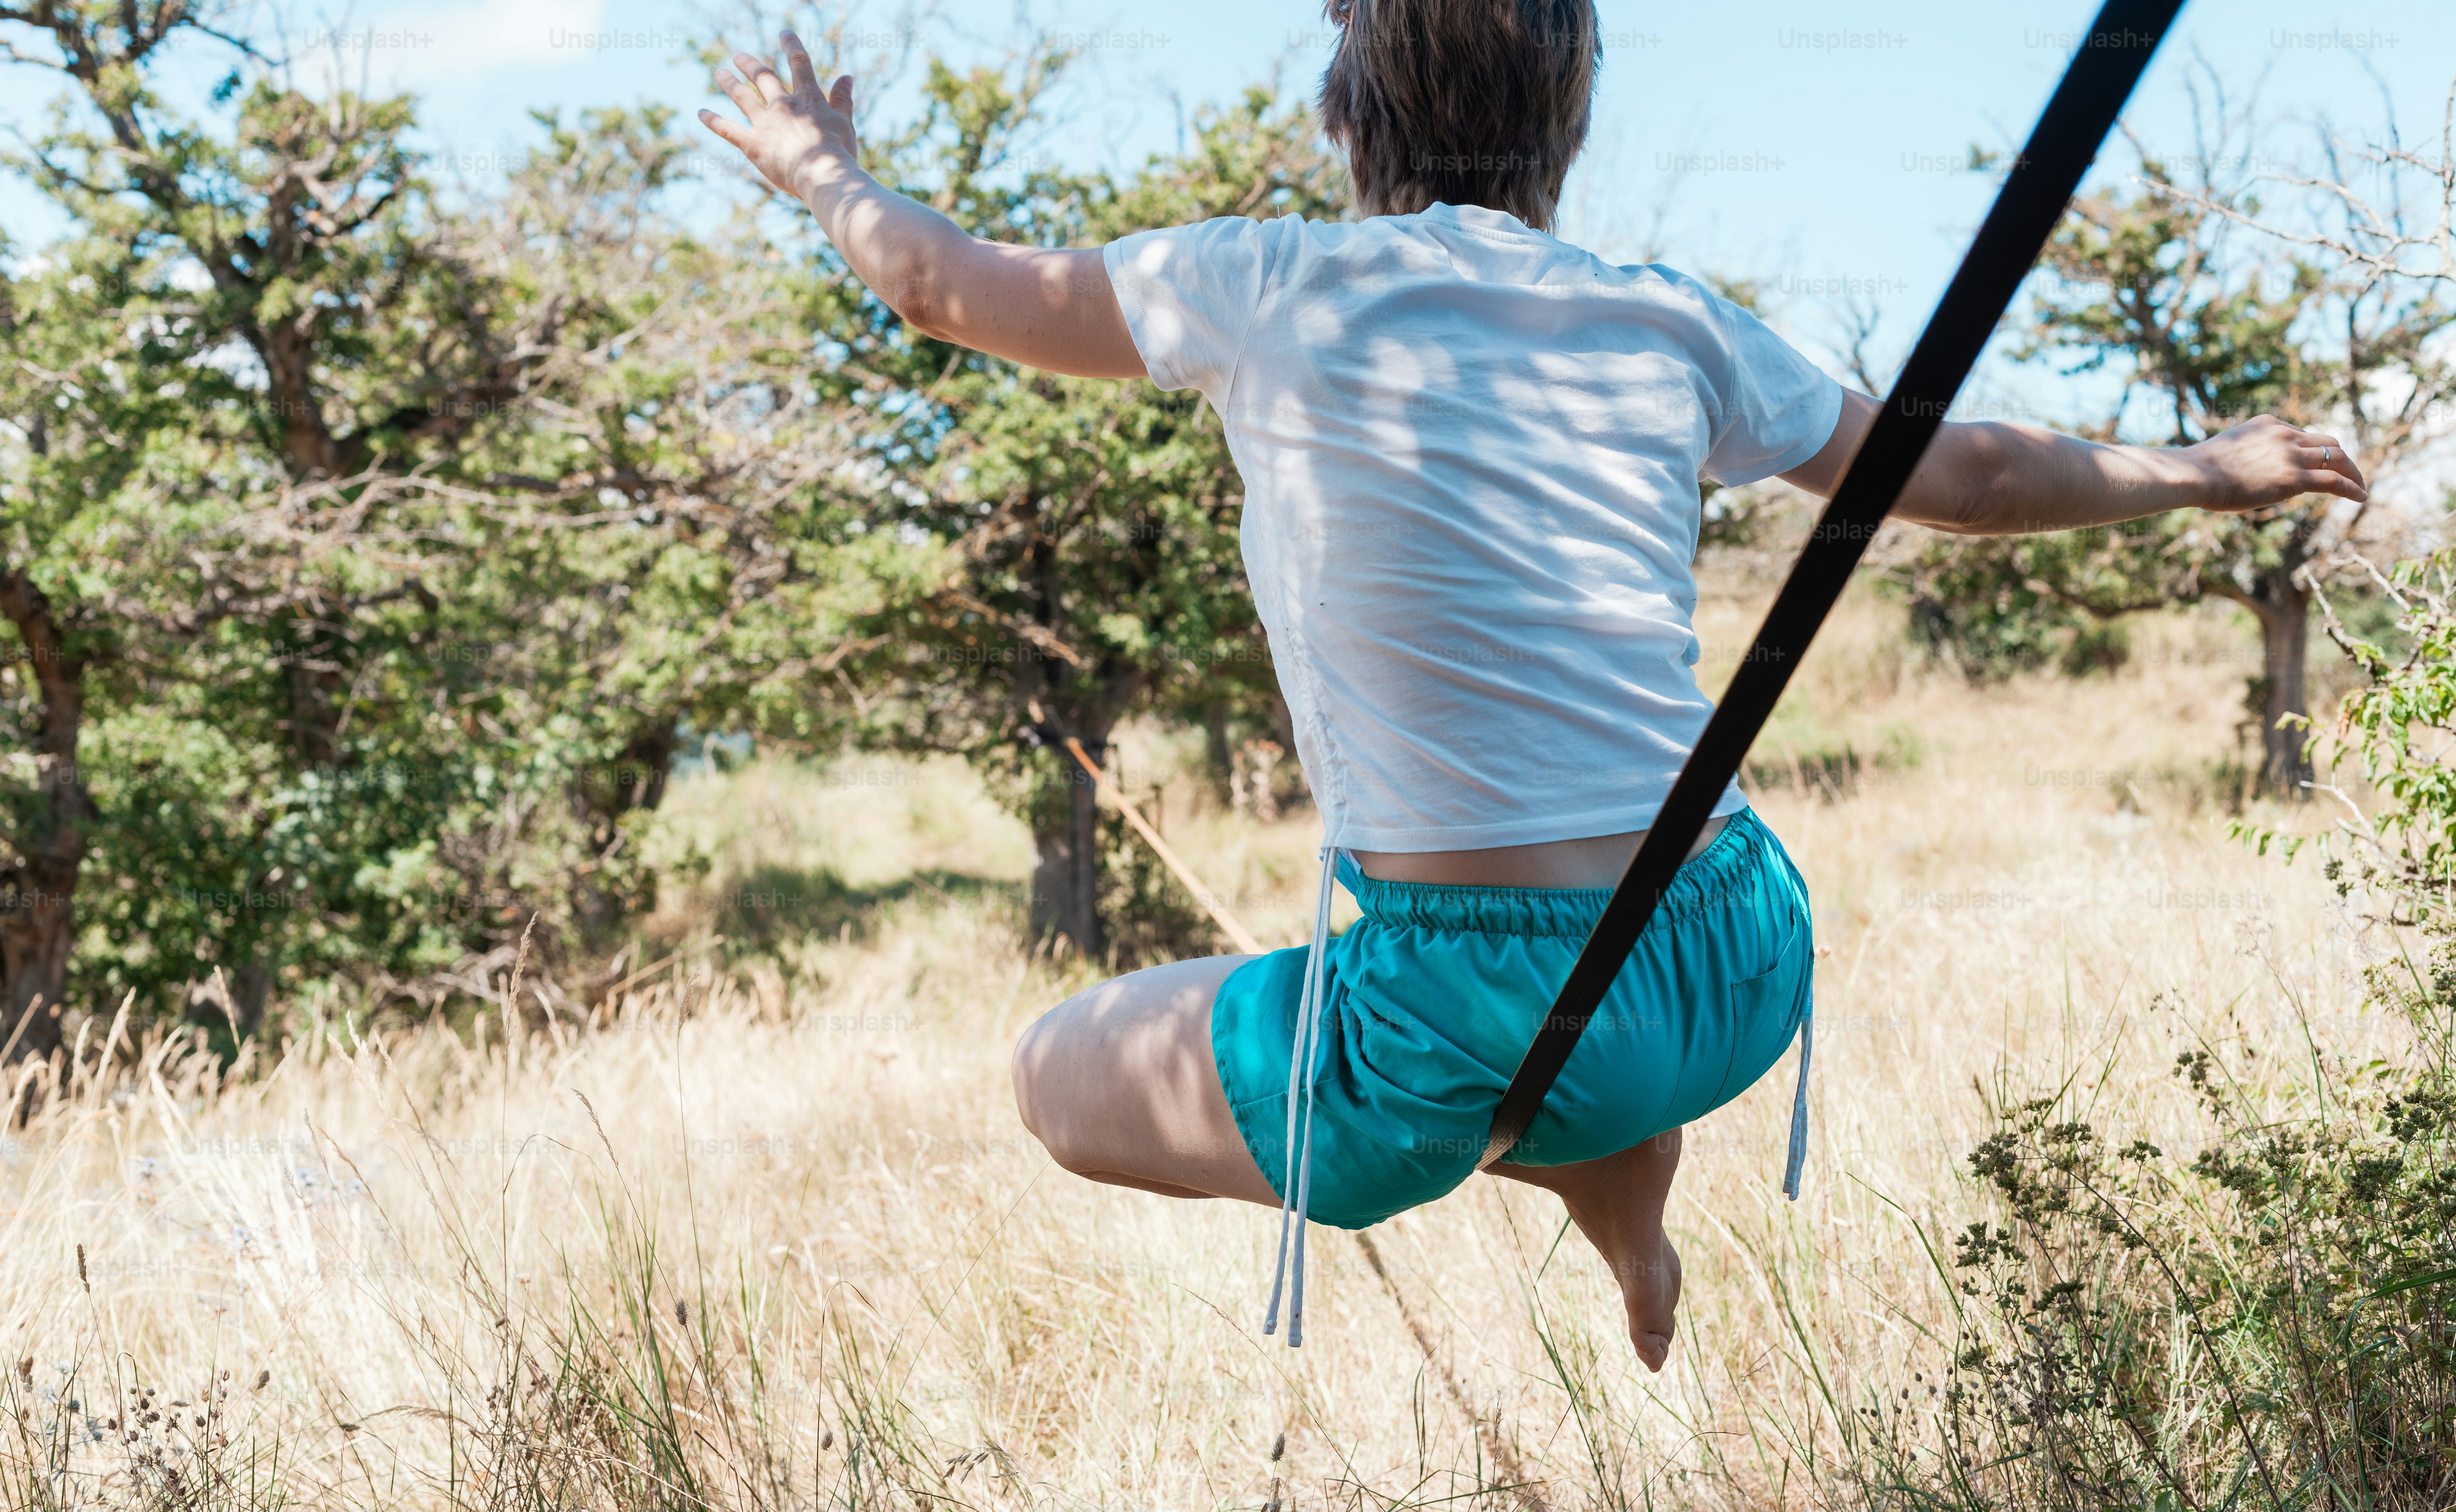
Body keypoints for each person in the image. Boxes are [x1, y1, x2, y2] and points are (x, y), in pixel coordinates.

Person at [700, 0, 2369, 1370]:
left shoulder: (1259, 281)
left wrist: (820, 167)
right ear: (1570, 116)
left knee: (1055, 1072)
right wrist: (2207, 470)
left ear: (1353, 107)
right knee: (1569, 999)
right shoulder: (1669, 322)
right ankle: (1627, 1216)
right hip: (1728, 951)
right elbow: (1975, 477)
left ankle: (1539, 1148)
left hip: (1457, 1023)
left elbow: (936, 285)